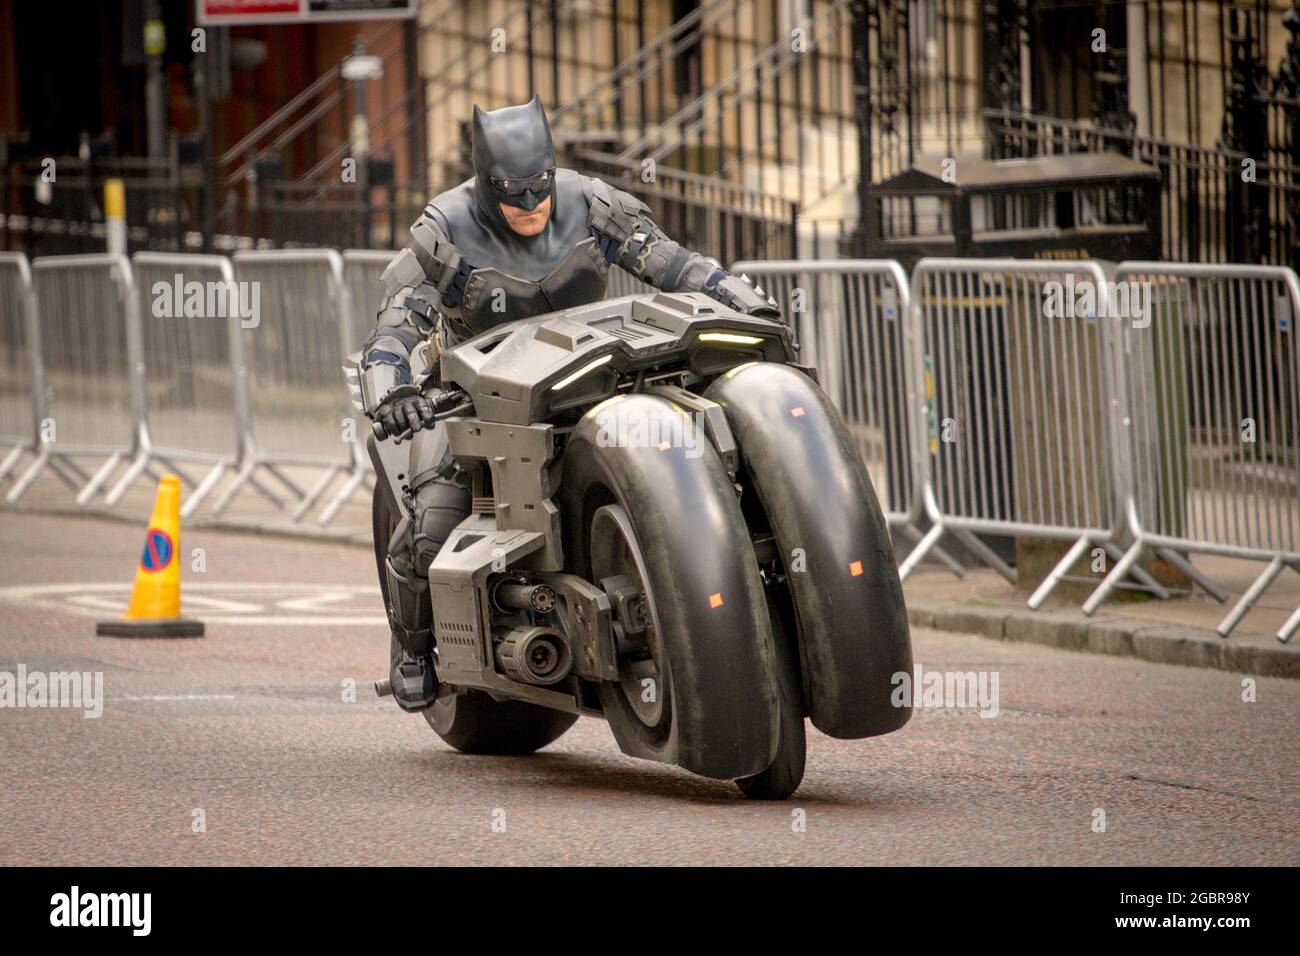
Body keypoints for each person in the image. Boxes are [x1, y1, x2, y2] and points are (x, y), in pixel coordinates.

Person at [357, 95, 779, 711]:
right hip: (478, 400)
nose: (529, 205)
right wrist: (392, 390)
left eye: (539, 188)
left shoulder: (594, 205)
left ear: (552, 173)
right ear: (484, 182)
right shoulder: (442, 233)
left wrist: (746, 301)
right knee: (429, 530)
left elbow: (674, 264)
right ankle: (415, 649)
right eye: (511, 192)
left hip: (593, 377)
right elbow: (394, 328)